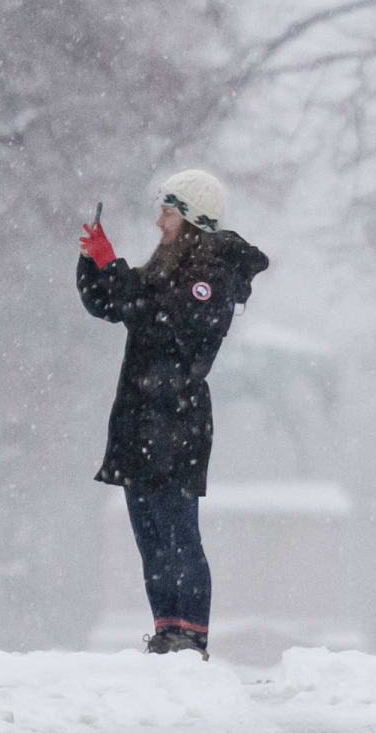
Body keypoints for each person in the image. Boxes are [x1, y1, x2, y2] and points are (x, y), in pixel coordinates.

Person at [76, 167, 269, 654]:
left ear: (191, 217)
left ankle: (192, 634)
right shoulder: (165, 267)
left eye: (167, 209)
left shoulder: (212, 273)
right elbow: (114, 304)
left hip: (174, 419)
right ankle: (167, 629)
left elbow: (163, 321)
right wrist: (92, 264)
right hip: (140, 414)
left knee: (178, 530)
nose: (157, 219)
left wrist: (114, 268)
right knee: (149, 534)